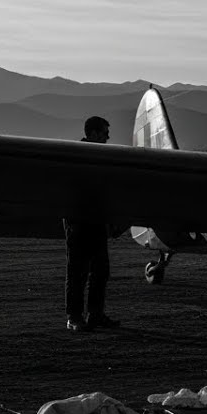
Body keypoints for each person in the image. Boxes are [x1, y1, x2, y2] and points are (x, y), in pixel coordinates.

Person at [63, 116, 119, 332]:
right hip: (78, 222)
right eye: (105, 133)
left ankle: (95, 314)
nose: (108, 137)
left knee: (100, 271)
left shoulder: (98, 156)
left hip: (96, 221)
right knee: (77, 272)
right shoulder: (76, 155)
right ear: (93, 134)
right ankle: (74, 317)